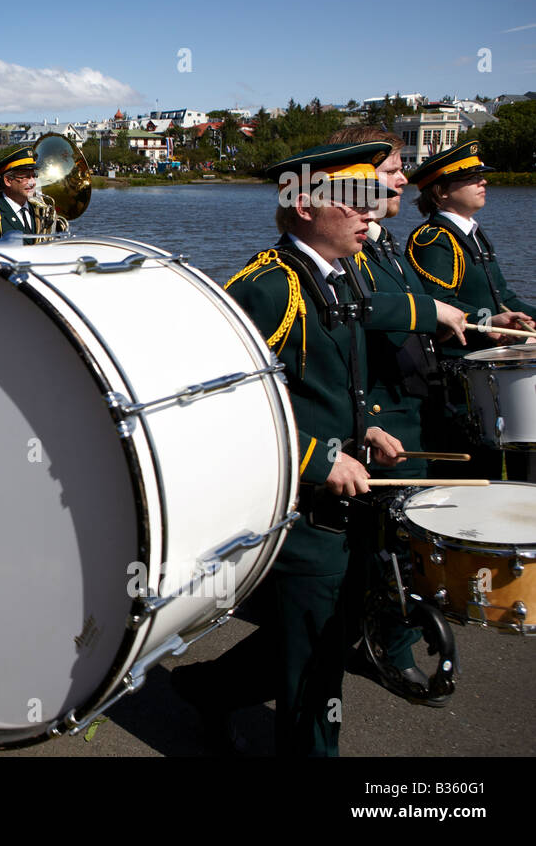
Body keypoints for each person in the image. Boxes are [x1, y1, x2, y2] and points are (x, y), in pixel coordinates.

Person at [171, 142, 431, 756]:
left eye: (376, 197)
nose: (374, 212)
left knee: (325, 637)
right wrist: (320, 458)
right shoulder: (265, 286)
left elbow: (330, 383)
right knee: (316, 676)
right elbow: (215, 405)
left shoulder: (348, 274)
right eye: (357, 200)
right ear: (306, 205)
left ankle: (210, 689)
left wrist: (362, 428)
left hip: (343, 505)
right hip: (297, 512)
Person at [325, 127, 467, 706]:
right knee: (389, 547)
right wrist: (426, 307)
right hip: (380, 410)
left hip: (412, 400)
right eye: (390, 170)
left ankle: (383, 636)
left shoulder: (385, 241)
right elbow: (352, 307)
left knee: (399, 545)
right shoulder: (346, 243)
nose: (403, 179)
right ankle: (392, 650)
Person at [405, 139, 536, 480]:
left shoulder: (473, 235)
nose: (484, 182)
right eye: (472, 178)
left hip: (482, 372)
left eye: (482, 176)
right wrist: (487, 320)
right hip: (457, 377)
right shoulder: (433, 238)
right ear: (442, 191)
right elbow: (435, 302)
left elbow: (503, 296)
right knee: (476, 471)